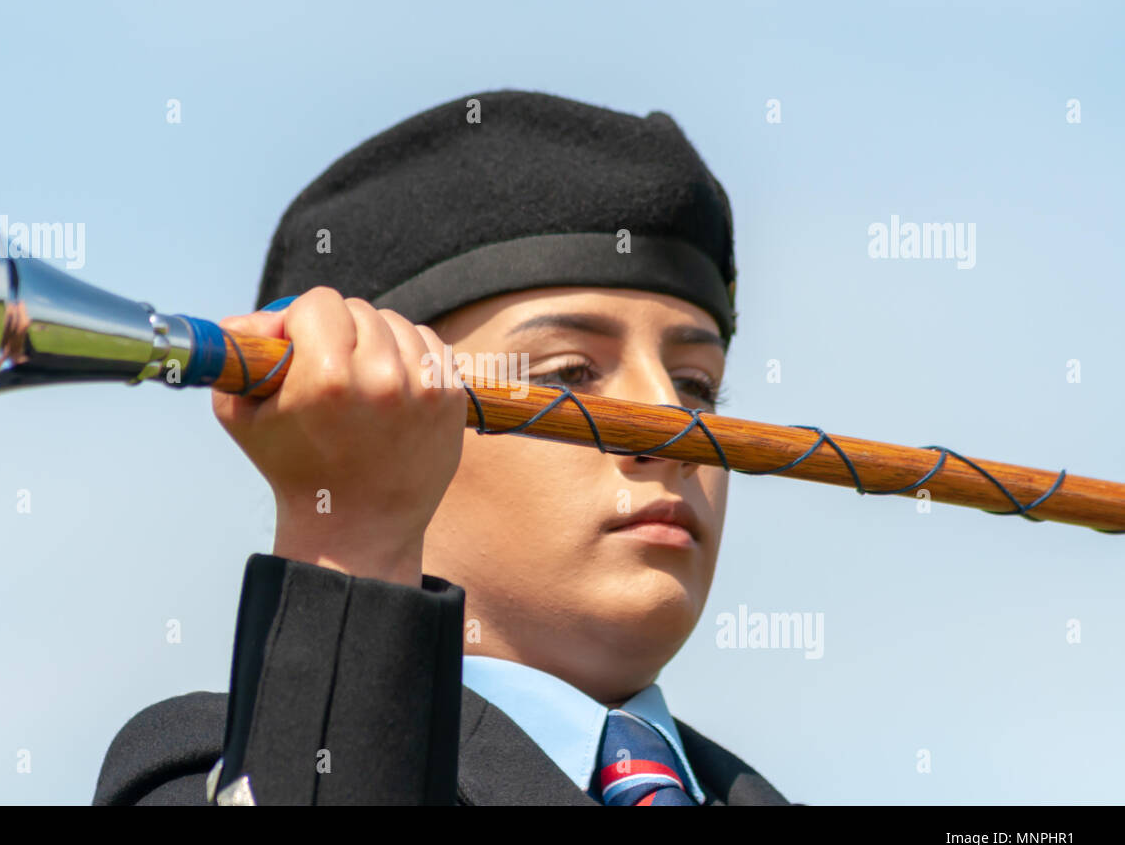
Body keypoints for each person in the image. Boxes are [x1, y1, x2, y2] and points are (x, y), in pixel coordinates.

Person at [93, 90, 791, 805]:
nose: (672, 427)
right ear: (381, 404)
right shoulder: (219, 765)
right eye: (570, 373)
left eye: (699, 384)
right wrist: (354, 534)